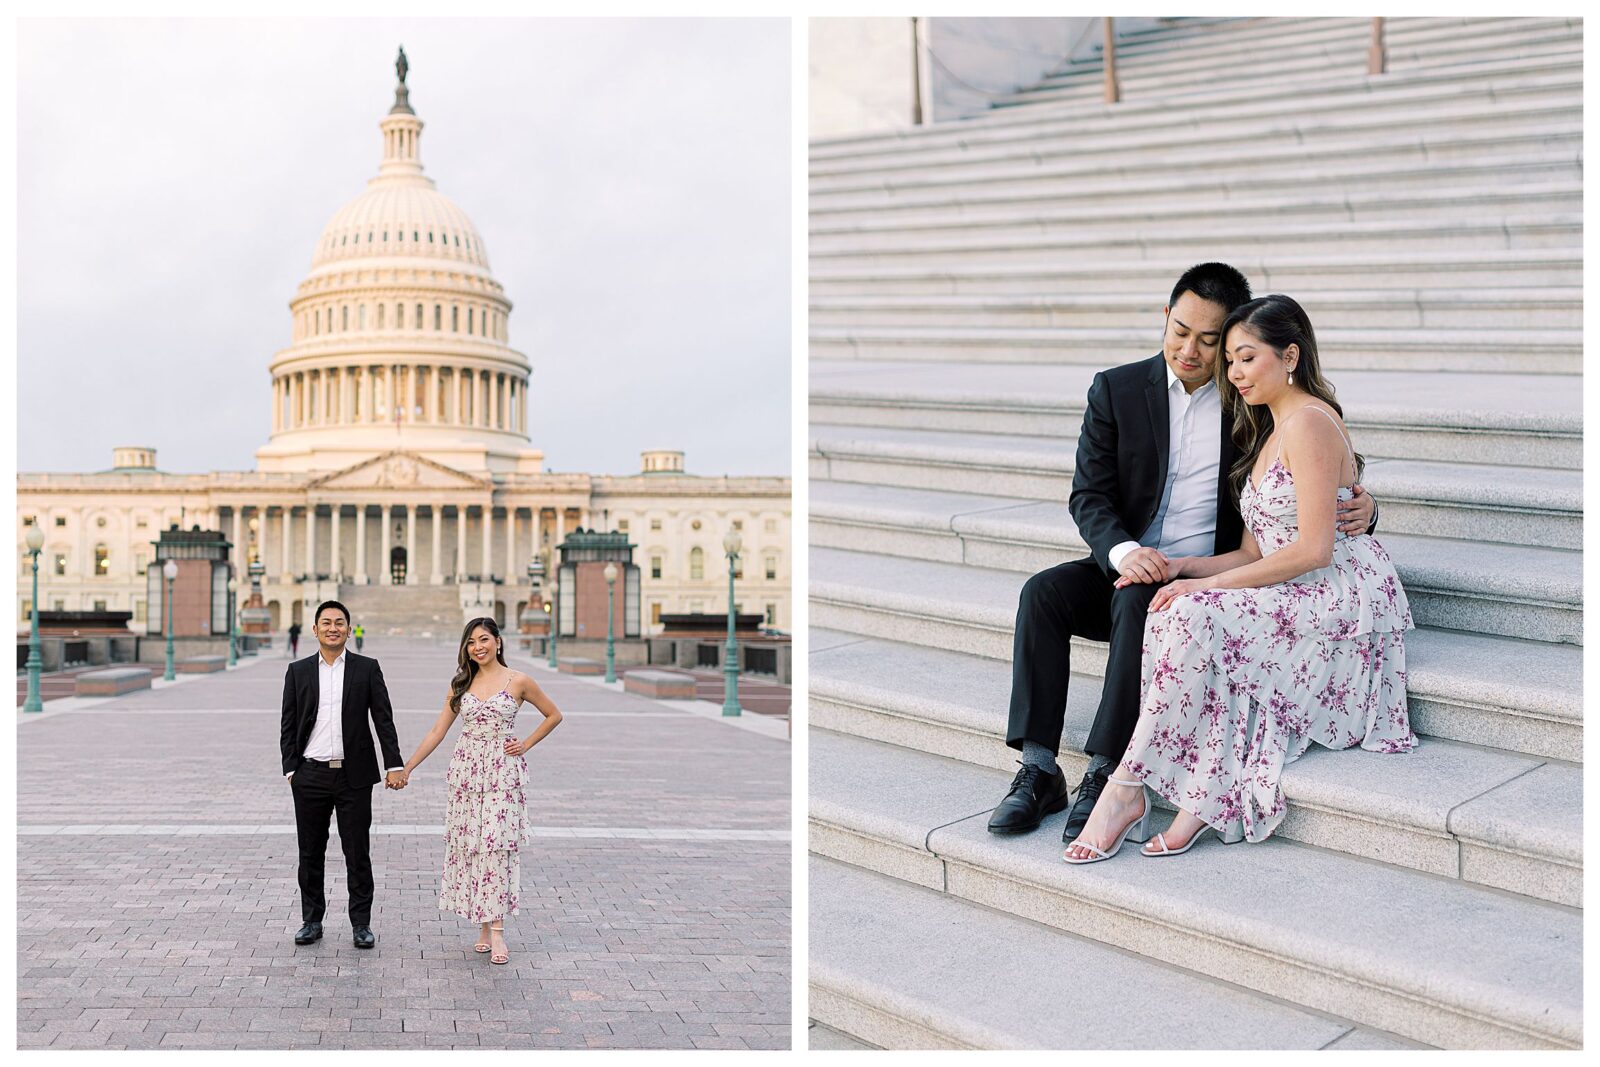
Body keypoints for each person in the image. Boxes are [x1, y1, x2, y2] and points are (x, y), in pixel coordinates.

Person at [986, 264, 1379, 844]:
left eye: (1210, 340)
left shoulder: (1248, 400)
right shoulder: (1116, 389)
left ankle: (1105, 772)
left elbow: (1319, 477)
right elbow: (1088, 494)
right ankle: (1039, 768)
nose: (1189, 349)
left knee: (1139, 603)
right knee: (1043, 593)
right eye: (1179, 331)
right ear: (1163, 319)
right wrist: (1122, 552)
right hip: (1134, 561)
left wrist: (1366, 513)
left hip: (1210, 568)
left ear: (1231, 342)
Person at [1064, 294, 1416, 863]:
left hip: (1338, 598)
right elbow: (1253, 549)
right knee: (1177, 606)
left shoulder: (1308, 424)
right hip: (1291, 582)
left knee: (1192, 612)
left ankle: (1127, 787)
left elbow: (1315, 549)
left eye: (1246, 358)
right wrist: (1183, 568)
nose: (1234, 373)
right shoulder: (1267, 429)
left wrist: (1204, 588)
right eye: (1230, 360)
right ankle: (1192, 796)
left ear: (1290, 355)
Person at [393, 617, 562, 964]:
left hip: (502, 773)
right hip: (467, 775)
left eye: (483, 639)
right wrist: (407, 767)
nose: (477, 647)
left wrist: (525, 744)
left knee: (495, 848)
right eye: (471, 642)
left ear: (498, 642)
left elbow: (553, 714)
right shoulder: (461, 683)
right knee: (473, 849)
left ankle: (497, 931)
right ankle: (484, 926)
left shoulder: (519, 681)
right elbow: (438, 731)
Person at [279, 600, 406, 947]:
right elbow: (288, 724)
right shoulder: (298, 670)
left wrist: (393, 763)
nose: (333, 628)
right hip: (311, 774)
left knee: (357, 851)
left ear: (349, 630)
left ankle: (361, 923)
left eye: (339, 623)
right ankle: (311, 919)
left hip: (354, 775)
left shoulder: (367, 668)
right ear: (315, 629)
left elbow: (383, 719)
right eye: (326, 622)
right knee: (310, 852)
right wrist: (292, 769)